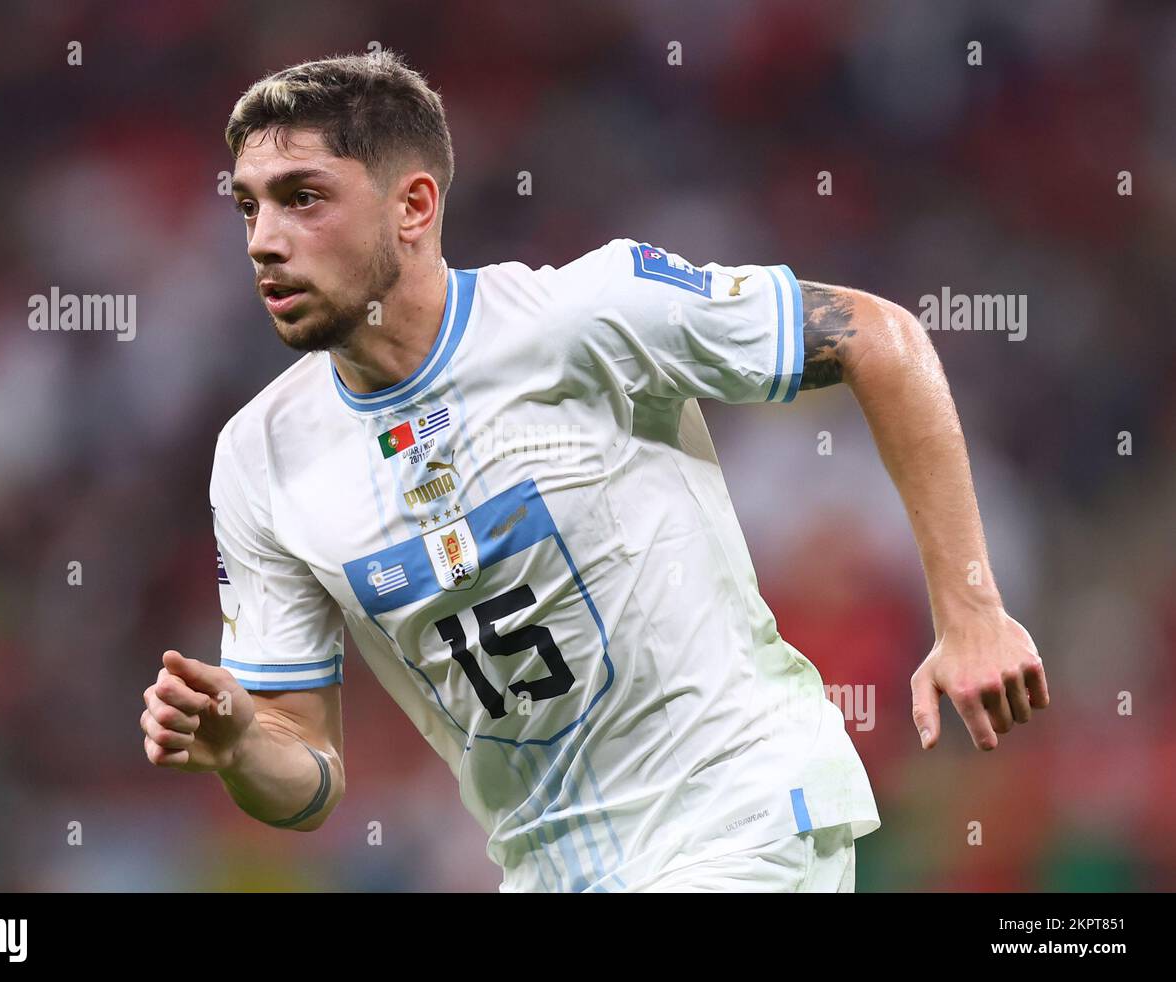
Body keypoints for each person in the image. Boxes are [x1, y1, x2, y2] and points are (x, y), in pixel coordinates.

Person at [139, 50, 1048, 893]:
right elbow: (307, 782)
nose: (264, 238)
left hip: (740, 820)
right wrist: (240, 742)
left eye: (303, 197)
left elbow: (876, 337)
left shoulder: (584, 316)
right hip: (550, 871)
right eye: (248, 205)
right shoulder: (259, 457)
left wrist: (968, 607)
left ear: (413, 207)